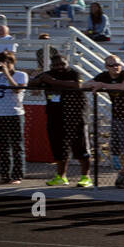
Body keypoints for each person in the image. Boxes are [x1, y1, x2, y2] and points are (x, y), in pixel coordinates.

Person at [34, 50, 93, 187]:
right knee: (59, 148)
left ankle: (86, 177)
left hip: (76, 117)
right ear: (51, 66)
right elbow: (32, 82)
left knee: (81, 148)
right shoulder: (48, 74)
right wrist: (41, 80)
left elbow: (77, 85)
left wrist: (53, 82)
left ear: (67, 63)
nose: (59, 67)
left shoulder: (73, 73)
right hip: (55, 117)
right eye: (56, 65)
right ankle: (61, 176)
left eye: (62, 64)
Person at [92, 54, 124, 187]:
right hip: (117, 116)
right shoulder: (104, 76)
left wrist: (102, 85)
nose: (116, 67)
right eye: (112, 65)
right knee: (119, 149)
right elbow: (86, 83)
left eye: (118, 64)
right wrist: (100, 84)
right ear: (106, 67)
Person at [0, 51, 27, 184]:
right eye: (2, 61)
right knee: (2, 147)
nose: (4, 64)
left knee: (17, 146)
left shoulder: (21, 75)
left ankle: (17, 175)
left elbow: (17, 89)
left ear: (12, 62)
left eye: (7, 62)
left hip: (14, 113)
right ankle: (5, 175)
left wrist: (7, 73)